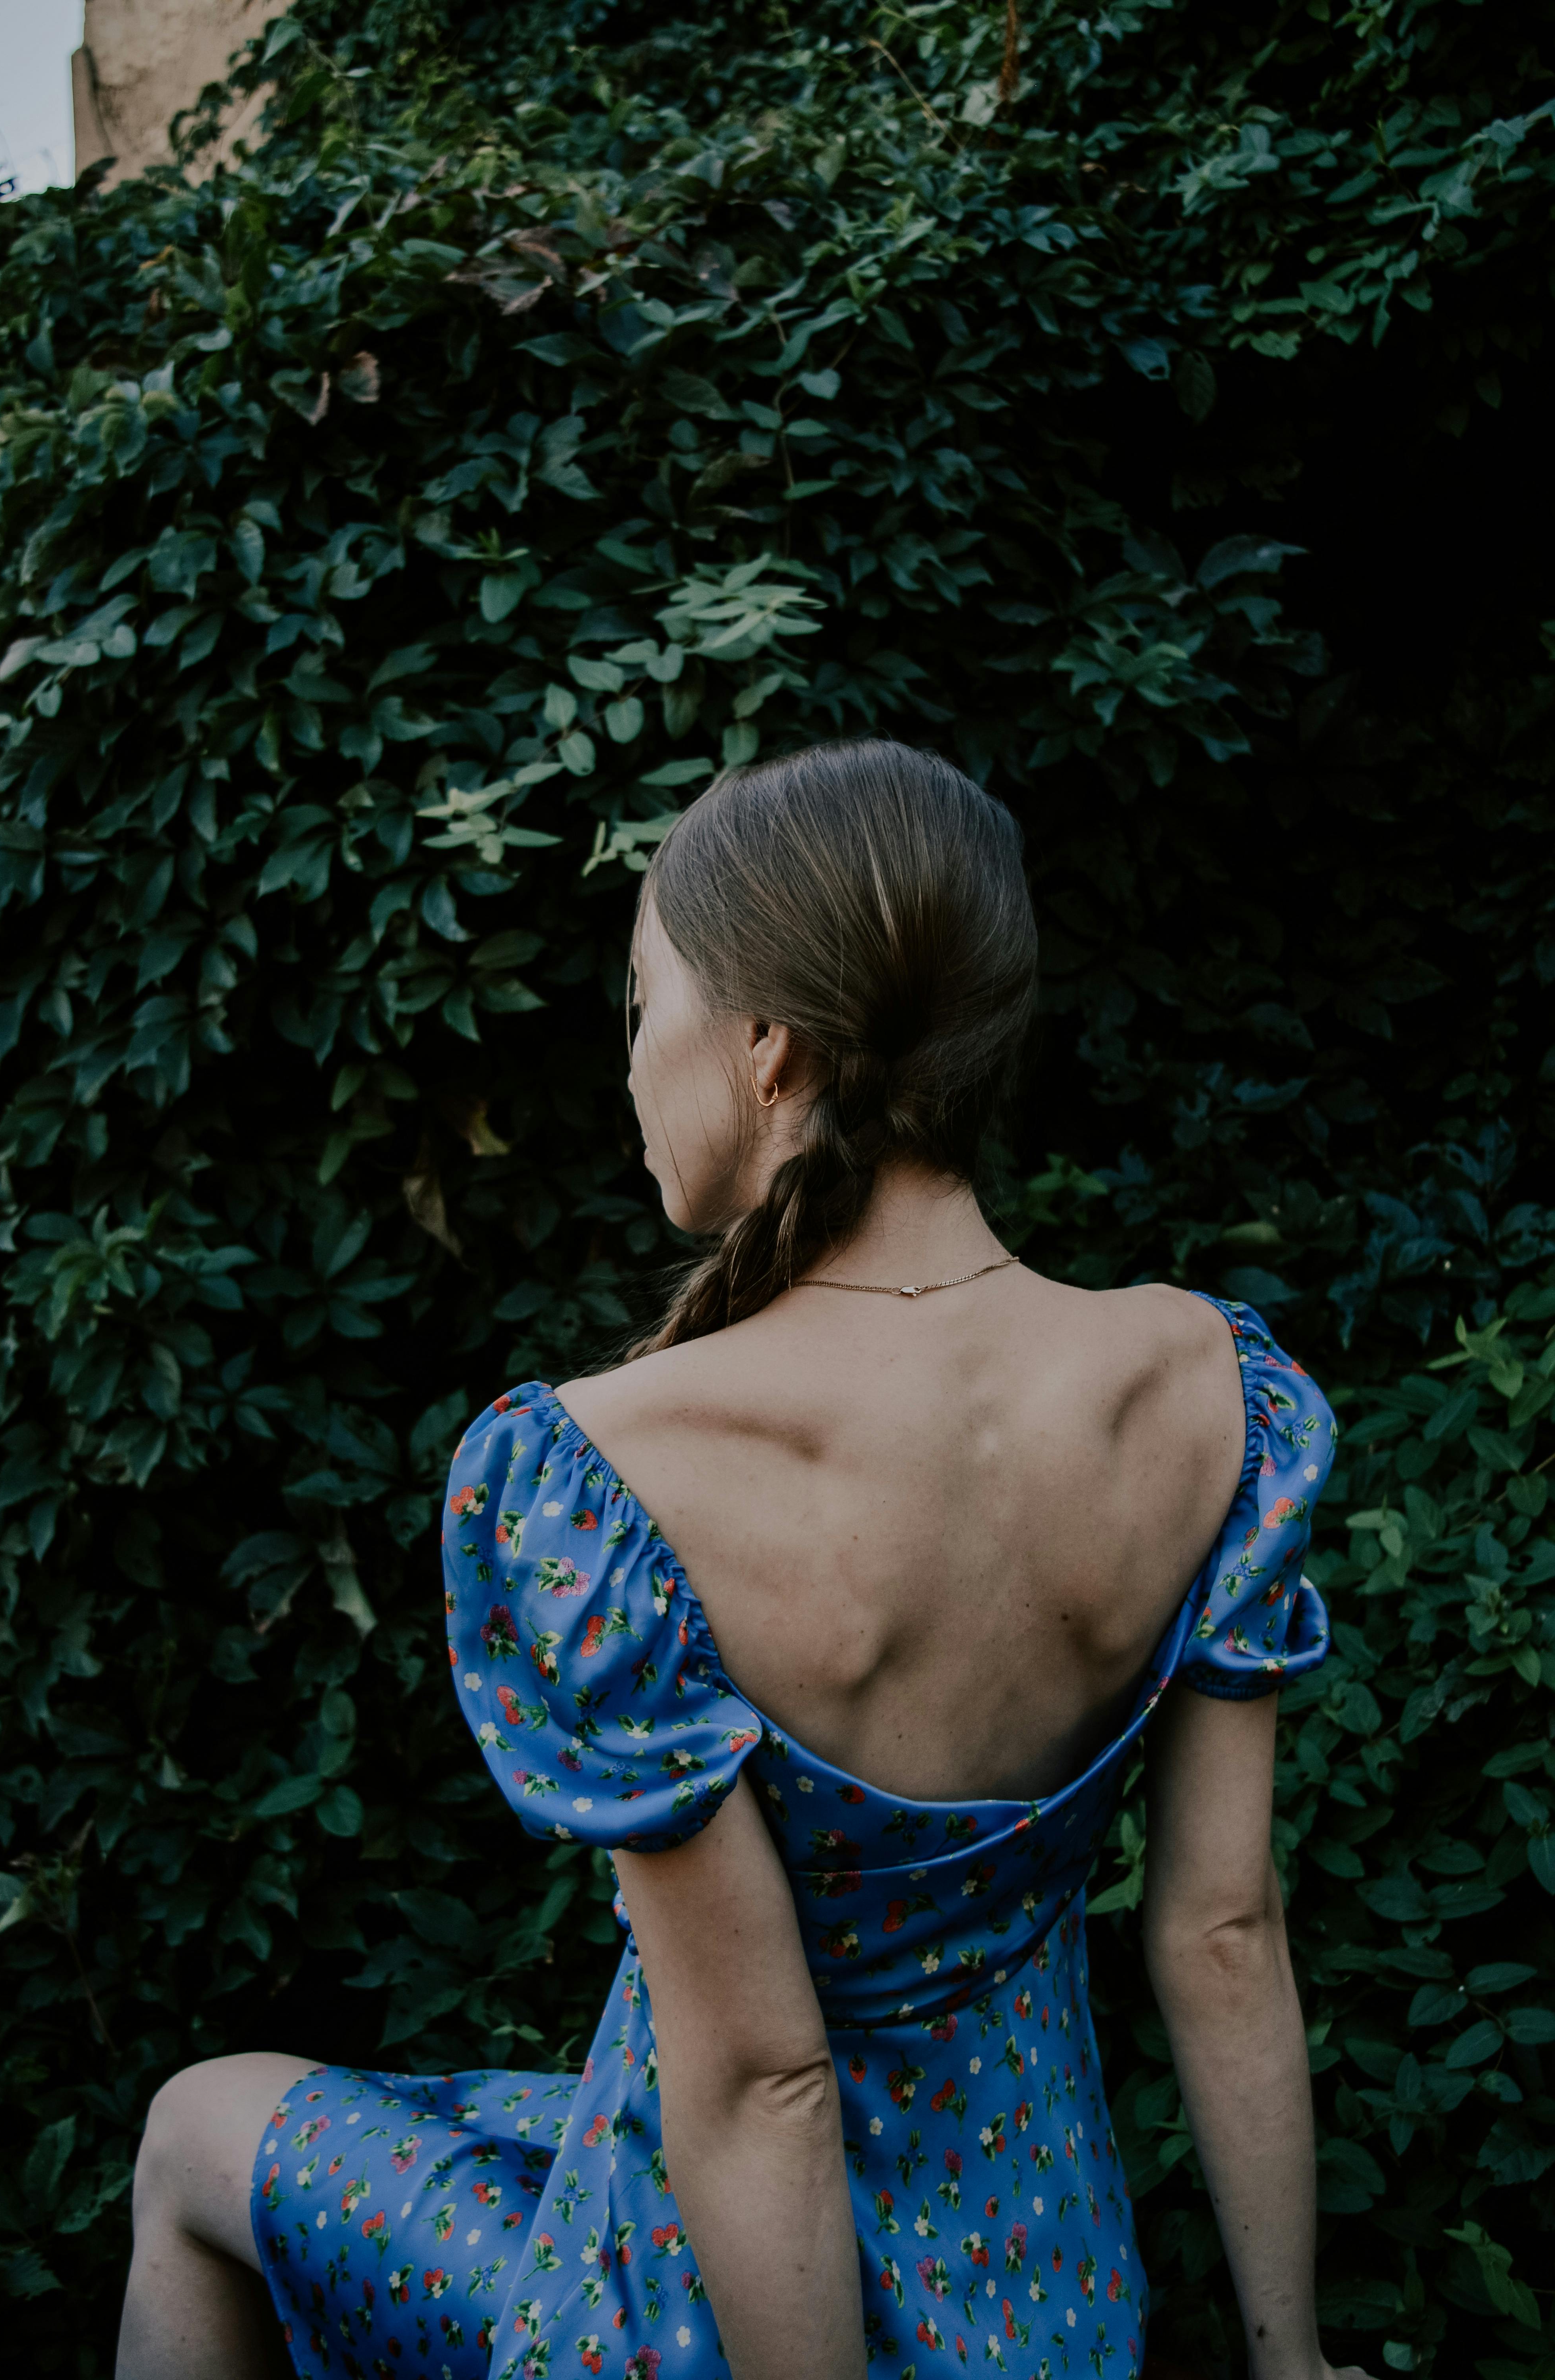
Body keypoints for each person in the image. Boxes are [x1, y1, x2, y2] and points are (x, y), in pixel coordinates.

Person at [117, 739, 1373, 2380]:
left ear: (771, 1048)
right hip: (1045, 2311)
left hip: (702, 2312)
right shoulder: (1210, 1390)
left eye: (644, 1002)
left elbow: (761, 2081)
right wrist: (1291, 2368)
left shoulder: (601, 1474)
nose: (631, 1061)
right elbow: (1221, 1931)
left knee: (193, 2131)